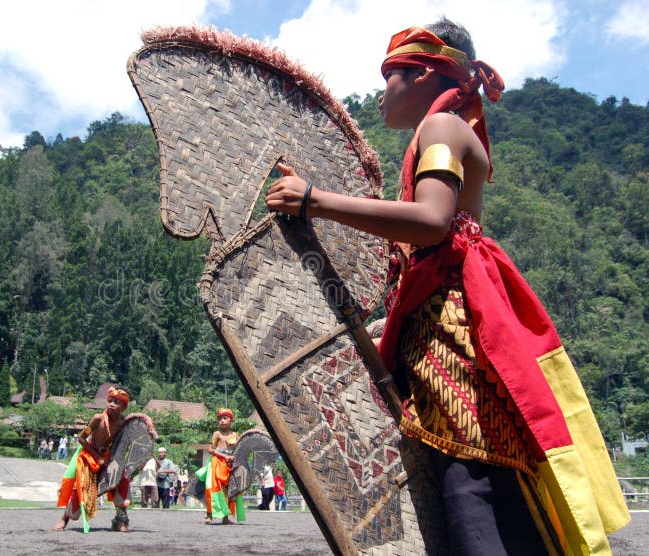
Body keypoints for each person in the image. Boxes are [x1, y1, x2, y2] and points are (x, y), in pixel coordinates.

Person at [266, 18, 629, 555]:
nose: (382, 90)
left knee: (468, 483)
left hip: (453, 326)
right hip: (444, 317)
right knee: (473, 478)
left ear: (422, 74)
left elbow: (433, 220)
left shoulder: (440, 130)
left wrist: (314, 200)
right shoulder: (445, 131)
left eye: (389, 74)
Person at [54, 387, 132, 533]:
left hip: (109, 457)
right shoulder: (97, 419)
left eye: (117, 402)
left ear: (123, 407)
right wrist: (97, 457)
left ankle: (121, 519)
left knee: (121, 481)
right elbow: (81, 438)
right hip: (90, 457)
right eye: (110, 401)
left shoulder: (124, 422)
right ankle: (65, 519)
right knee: (80, 489)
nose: (112, 405)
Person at [201, 407, 244, 524]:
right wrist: (224, 456)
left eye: (225, 418)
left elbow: (239, 450)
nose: (222, 421)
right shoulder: (217, 434)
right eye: (219, 419)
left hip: (230, 466)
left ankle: (225, 518)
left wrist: (235, 459)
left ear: (231, 420)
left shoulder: (235, 435)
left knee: (230, 491)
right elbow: (211, 449)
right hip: (217, 464)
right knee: (213, 489)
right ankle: (209, 515)